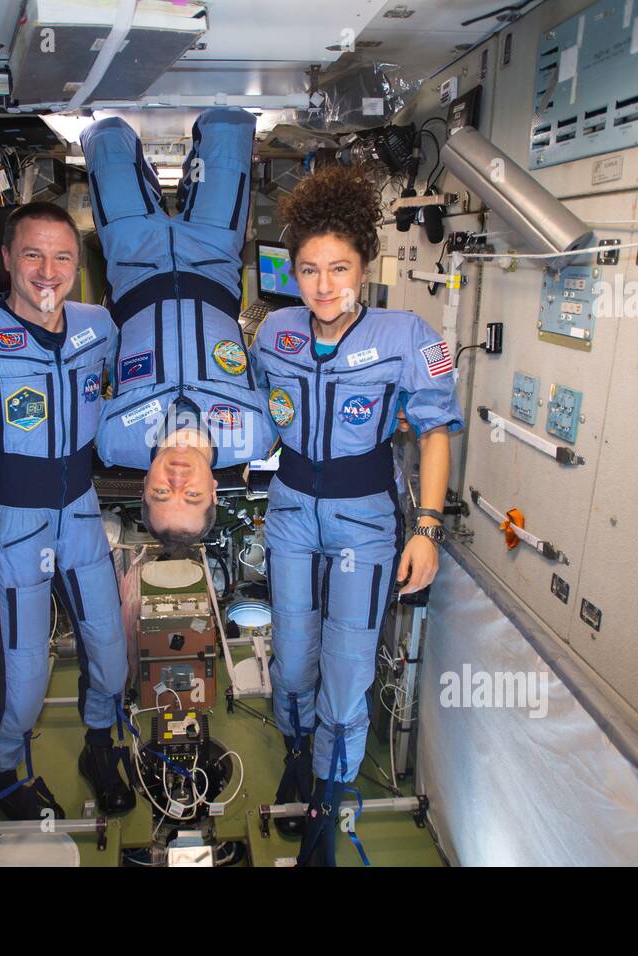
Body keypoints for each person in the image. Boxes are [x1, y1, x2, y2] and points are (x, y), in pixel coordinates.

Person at [252, 164, 463, 865]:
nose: (323, 285)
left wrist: (427, 531)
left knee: (345, 674)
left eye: (338, 268)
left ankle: (324, 808)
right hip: (288, 512)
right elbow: (249, 415)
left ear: (365, 267)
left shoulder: (406, 335)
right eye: (308, 269)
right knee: (292, 663)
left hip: (364, 520)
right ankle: (296, 749)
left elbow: (434, 431)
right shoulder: (275, 333)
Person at [0, 201, 134, 820]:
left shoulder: (99, 326)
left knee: (110, 652)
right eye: (33, 254)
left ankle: (99, 745)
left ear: (76, 265)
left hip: (81, 509)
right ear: (7, 258)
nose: (48, 270)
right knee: (26, 679)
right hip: (12, 520)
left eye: (62, 256)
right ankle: (4, 772)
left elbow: (133, 388)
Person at [82, 108, 274, 551]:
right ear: (213, 491)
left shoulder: (112, 441)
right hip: (214, 259)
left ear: (144, 484)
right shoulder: (257, 434)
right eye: (191, 495)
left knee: (104, 133)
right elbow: (271, 365)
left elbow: (96, 363)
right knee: (229, 127)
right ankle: (195, 179)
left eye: (161, 493)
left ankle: (144, 179)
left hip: (133, 264)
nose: (177, 479)